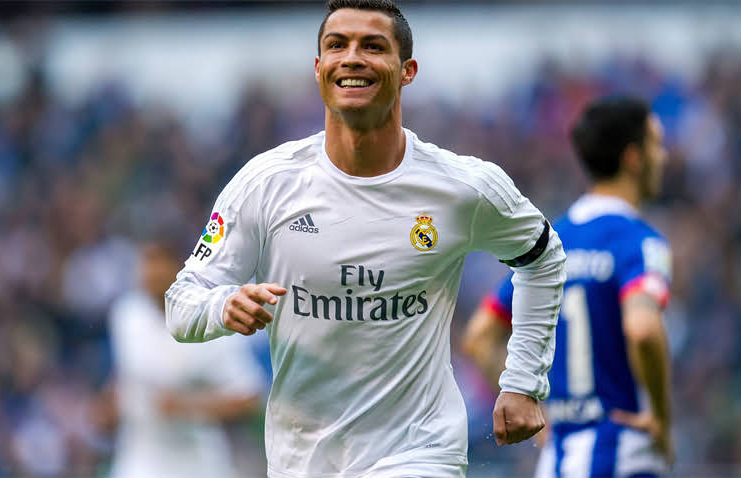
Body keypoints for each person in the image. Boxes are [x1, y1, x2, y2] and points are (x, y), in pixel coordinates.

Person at [165, 1, 566, 476]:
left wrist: (523, 381)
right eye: (337, 45)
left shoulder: (463, 187)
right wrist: (223, 305)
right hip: (303, 460)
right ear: (319, 68)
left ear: (407, 70)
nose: (352, 58)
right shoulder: (265, 184)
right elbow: (181, 303)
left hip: (420, 451)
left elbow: (543, 257)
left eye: (373, 47)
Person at [462, 97, 674, 477]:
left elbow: (479, 336)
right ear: (633, 157)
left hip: (557, 461)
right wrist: (660, 416)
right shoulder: (639, 242)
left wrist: (536, 409)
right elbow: (642, 329)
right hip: (621, 452)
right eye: (657, 144)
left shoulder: (554, 241)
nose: (664, 156)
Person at [103, 240, 264, 478]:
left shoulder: (212, 322)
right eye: (146, 262)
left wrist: (185, 406)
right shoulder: (127, 314)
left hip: (197, 461)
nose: (150, 272)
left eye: (159, 262)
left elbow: (250, 398)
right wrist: (108, 406)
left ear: (180, 268)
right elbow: (126, 374)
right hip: (139, 458)